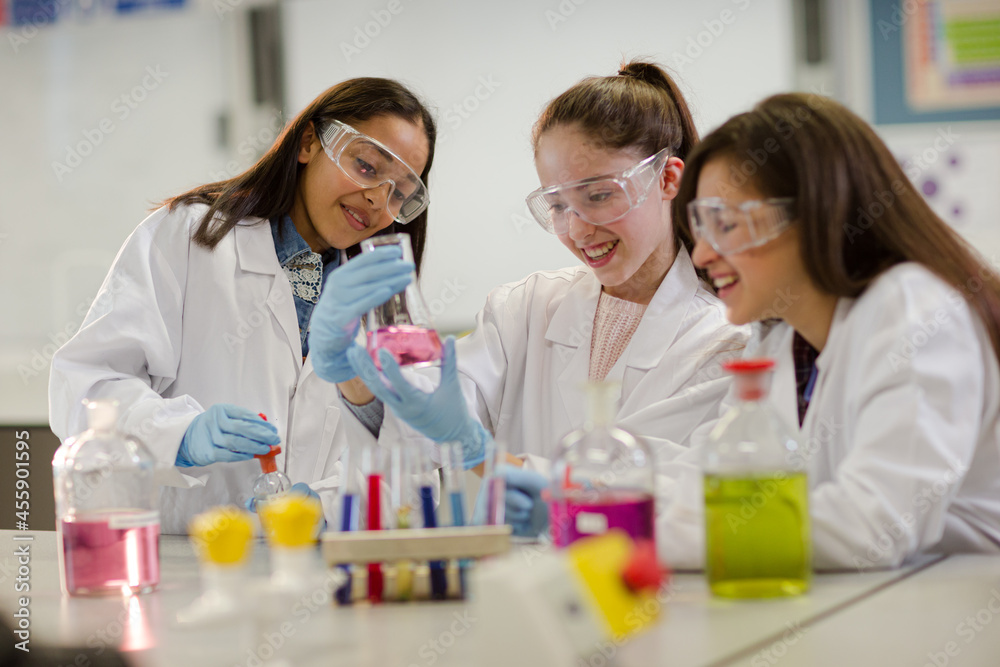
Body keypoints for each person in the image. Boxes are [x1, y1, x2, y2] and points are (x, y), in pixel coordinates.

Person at [330, 62, 749, 537]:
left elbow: (657, 495)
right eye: (557, 205)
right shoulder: (523, 309)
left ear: (669, 180)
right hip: (520, 599)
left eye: (598, 195)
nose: (578, 229)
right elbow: (420, 437)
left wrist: (482, 454)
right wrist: (358, 378)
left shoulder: (723, 342)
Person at [49, 77, 437, 534]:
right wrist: (179, 435)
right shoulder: (190, 238)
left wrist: (328, 506)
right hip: (183, 564)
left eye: (399, 193)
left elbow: (416, 463)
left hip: (315, 571)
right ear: (309, 142)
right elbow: (85, 385)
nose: (377, 200)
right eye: (368, 167)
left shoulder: (389, 304)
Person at [657, 92, 1000, 569]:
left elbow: (871, 526)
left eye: (726, 224)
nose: (701, 256)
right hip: (872, 604)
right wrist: (573, 489)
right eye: (699, 227)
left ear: (816, 212)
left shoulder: (913, 306)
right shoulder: (781, 340)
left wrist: (659, 542)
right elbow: (710, 474)